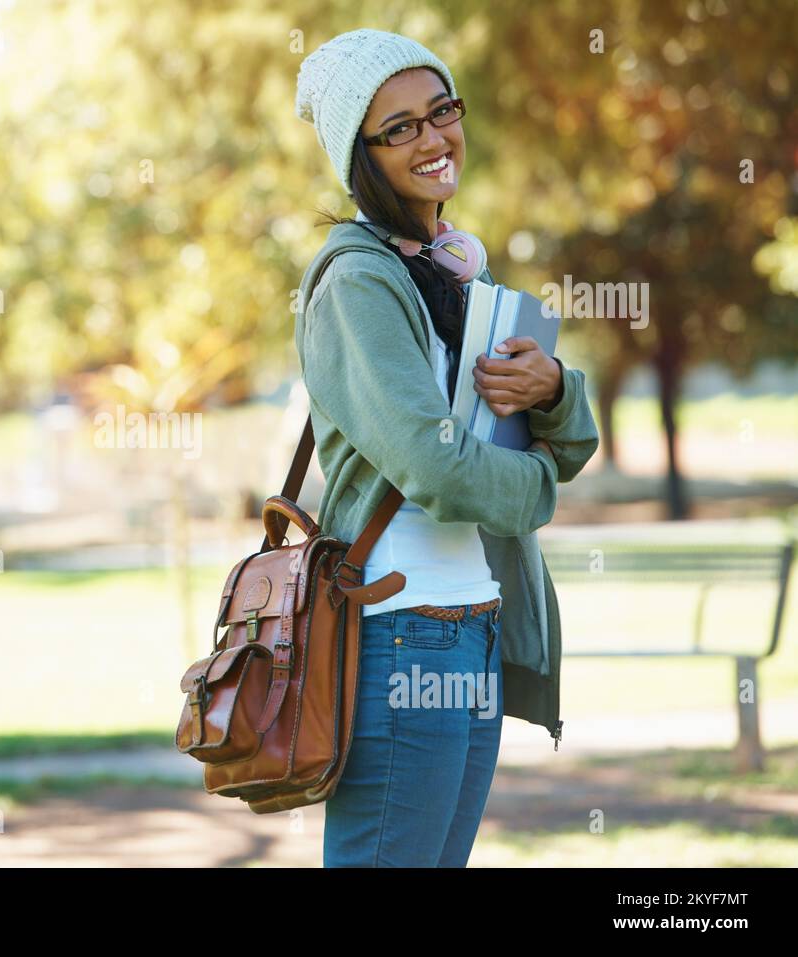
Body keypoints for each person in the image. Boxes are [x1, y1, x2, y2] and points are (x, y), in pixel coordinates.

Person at [293, 28, 600, 866]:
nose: (432, 139)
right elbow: (435, 468)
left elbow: (572, 442)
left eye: (441, 112)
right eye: (399, 128)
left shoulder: (457, 271)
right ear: (361, 154)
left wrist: (554, 390)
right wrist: (538, 484)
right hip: (401, 625)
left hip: (474, 621)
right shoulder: (358, 282)